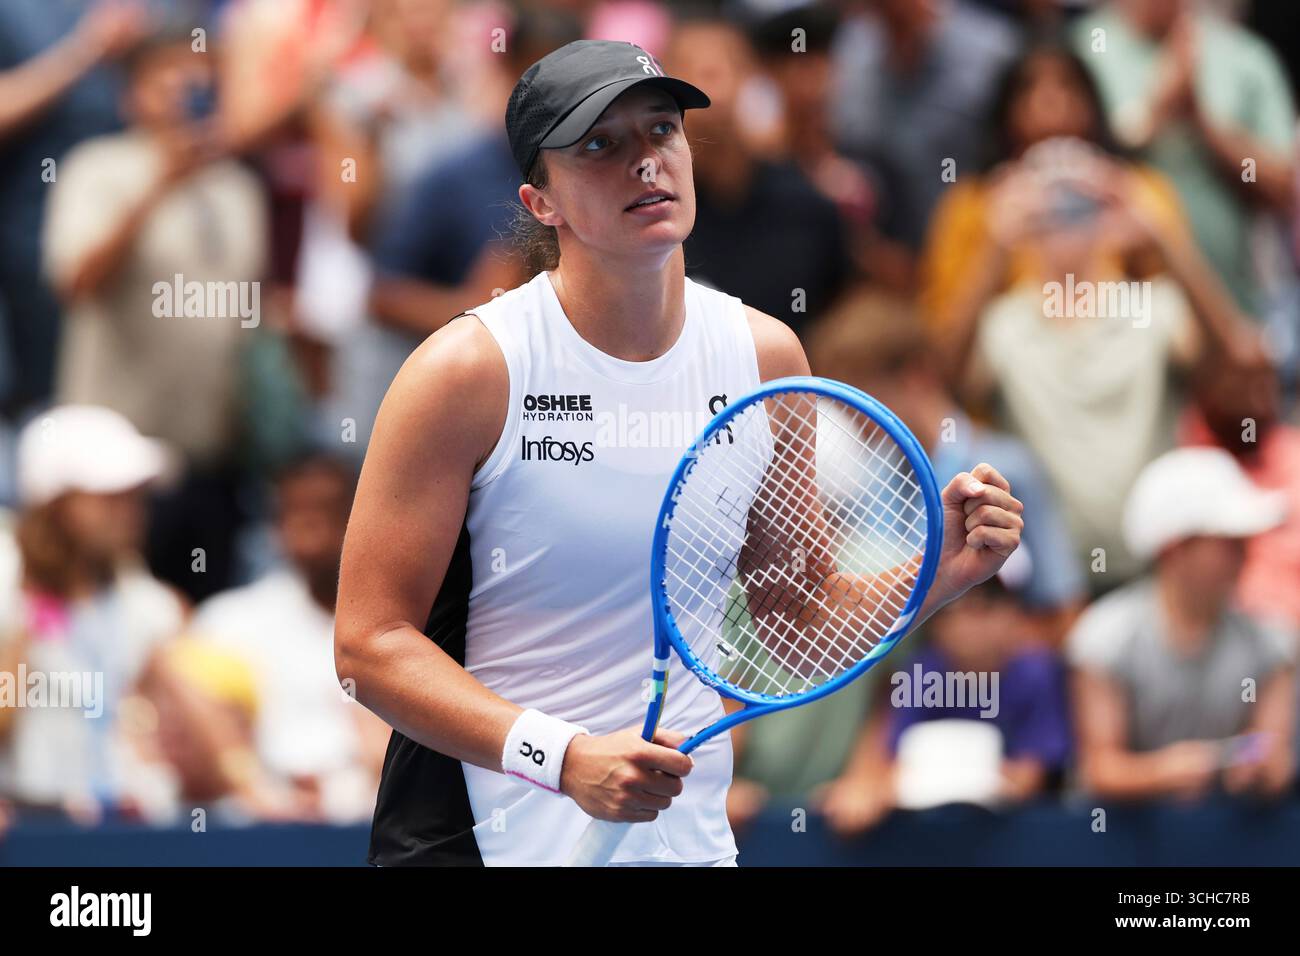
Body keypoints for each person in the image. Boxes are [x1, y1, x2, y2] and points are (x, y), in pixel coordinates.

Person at [335, 38, 1025, 867]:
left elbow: (796, 616)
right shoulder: (468, 372)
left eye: (661, 130)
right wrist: (562, 758)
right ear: (540, 199)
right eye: (599, 144)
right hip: (478, 843)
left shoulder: (765, 359)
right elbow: (368, 645)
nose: (645, 162)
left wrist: (938, 569)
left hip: (685, 847)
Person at [42, 23, 269, 601]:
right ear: (131, 95)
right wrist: (155, 189)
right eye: (166, 78)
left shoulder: (239, 188)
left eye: (199, 82)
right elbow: (75, 281)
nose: (185, 92)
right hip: (116, 462)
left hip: (212, 459)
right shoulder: (96, 168)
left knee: (201, 618)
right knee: (109, 612)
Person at [1068, 447, 1296, 801]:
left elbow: (1276, 758)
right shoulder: (1103, 639)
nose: (1245, 554)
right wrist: (1165, 773)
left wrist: (1263, 770)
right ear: (1175, 550)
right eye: (1229, 542)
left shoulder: (1273, 642)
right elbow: (1099, 769)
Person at [0, 406, 183, 823]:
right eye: (110, 497)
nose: (130, 513)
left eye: (135, 496)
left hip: (121, 829)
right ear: (56, 505)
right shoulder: (5, 581)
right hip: (26, 834)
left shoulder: (147, 604)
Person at [191, 454, 389, 822]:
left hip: (373, 826)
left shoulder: (405, 626)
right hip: (258, 832)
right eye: (294, 510)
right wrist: (260, 790)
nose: (310, 523)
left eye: (328, 509)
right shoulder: (227, 621)